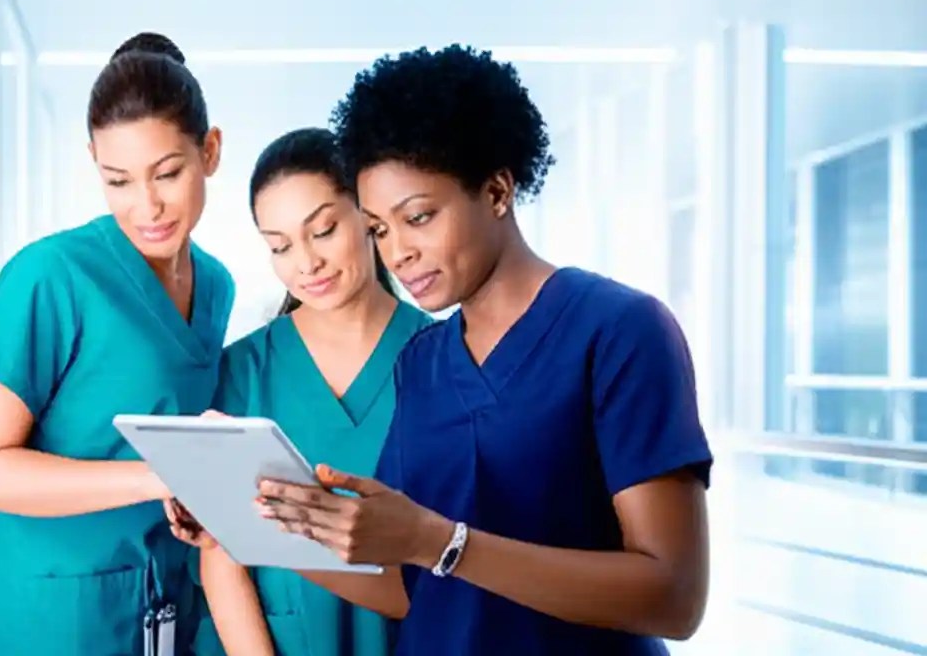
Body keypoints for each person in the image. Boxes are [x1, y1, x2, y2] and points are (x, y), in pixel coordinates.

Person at [253, 45, 713, 655]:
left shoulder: (620, 332)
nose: (398, 254)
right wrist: (253, 528)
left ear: (497, 191)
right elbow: (408, 584)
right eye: (380, 230)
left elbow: (675, 596)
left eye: (418, 216)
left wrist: (444, 543)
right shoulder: (421, 364)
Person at [0, 32, 235, 655]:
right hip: (45, 614)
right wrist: (158, 477)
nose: (148, 206)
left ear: (210, 151)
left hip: (160, 600)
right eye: (119, 180)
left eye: (168, 173)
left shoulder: (215, 287)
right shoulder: (51, 275)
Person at [183, 128, 431, 656]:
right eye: (280, 246)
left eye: (322, 230)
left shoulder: (443, 359)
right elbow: (220, 549)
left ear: (367, 215)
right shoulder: (246, 370)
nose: (305, 263)